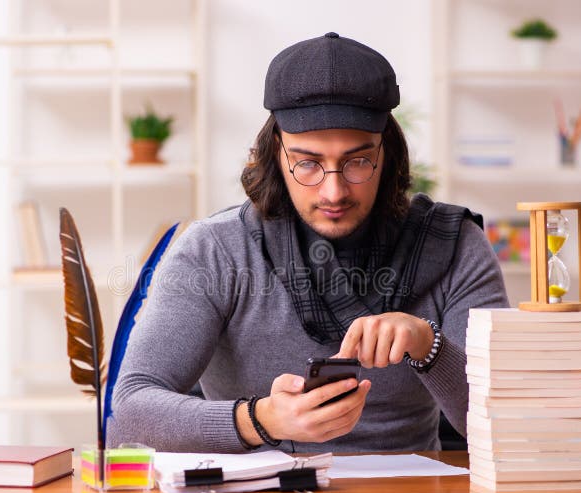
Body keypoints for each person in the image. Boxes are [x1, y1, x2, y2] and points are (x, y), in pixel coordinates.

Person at [107, 32, 508, 453]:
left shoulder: (455, 245)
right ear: (275, 154)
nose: (333, 192)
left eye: (358, 161)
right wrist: (262, 419)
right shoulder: (215, 250)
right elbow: (124, 417)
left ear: (387, 154)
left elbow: (509, 422)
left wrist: (429, 346)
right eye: (307, 163)